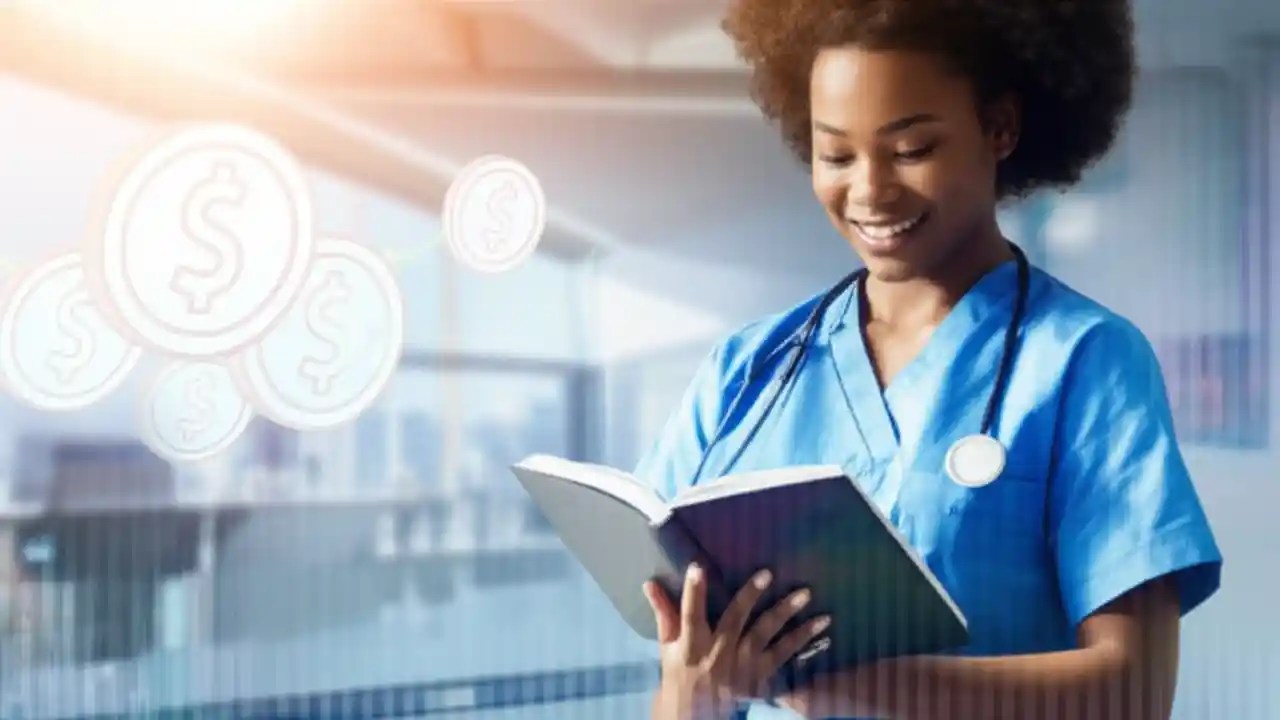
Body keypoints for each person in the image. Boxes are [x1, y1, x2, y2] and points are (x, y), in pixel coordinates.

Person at [635, 1, 1224, 718]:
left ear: (999, 127)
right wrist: (690, 694)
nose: (870, 191)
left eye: (911, 150)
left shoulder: (1084, 362)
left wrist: (828, 684)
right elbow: (686, 684)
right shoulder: (745, 372)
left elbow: (1133, 691)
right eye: (837, 154)